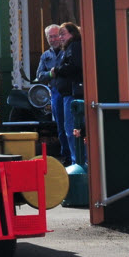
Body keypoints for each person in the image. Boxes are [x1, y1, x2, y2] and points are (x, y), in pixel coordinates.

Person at [47, 22, 83, 166]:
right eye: (59, 35)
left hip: (73, 94)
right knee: (66, 129)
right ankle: (73, 159)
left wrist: (58, 70)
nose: (60, 37)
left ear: (72, 34)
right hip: (64, 94)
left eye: (63, 34)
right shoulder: (67, 49)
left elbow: (75, 66)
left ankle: (78, 161)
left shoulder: (74, 46)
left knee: (72, 130)